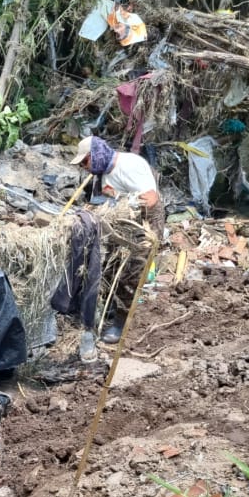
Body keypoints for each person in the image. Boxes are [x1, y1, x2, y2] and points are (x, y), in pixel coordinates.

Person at [71, 135, 165, 343]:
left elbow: (150, 199)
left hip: (144, 225)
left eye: (86, 161)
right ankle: (114, 310)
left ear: (97, 155)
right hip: (122, 226)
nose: (85, 167)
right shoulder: (103, 174)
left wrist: (121, 205)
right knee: (111, 268)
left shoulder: (130, 165)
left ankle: (122, 325)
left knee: (131, 274)